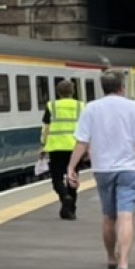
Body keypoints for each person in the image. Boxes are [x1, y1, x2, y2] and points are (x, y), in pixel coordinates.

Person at [65, 69, 135, 269]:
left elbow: (82, 142)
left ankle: (110, 258)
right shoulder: (133, 107)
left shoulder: (91, 108)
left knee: (108, 216)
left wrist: (71, 167)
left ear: (103, 87)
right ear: (122, 87)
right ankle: (124, 264)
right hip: (129, 169)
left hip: (103, 169)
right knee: (126, 215)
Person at [40, 79, 81, 220]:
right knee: (73, 178)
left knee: (57, 179)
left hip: (56, 147)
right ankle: (71, 210)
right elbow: (86, 128)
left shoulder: (51, 106)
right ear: (73, 91)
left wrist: (43, 145)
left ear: (58, 92)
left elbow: (46, 128)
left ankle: (65, 197)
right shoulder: (80, 106)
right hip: (75, 148)